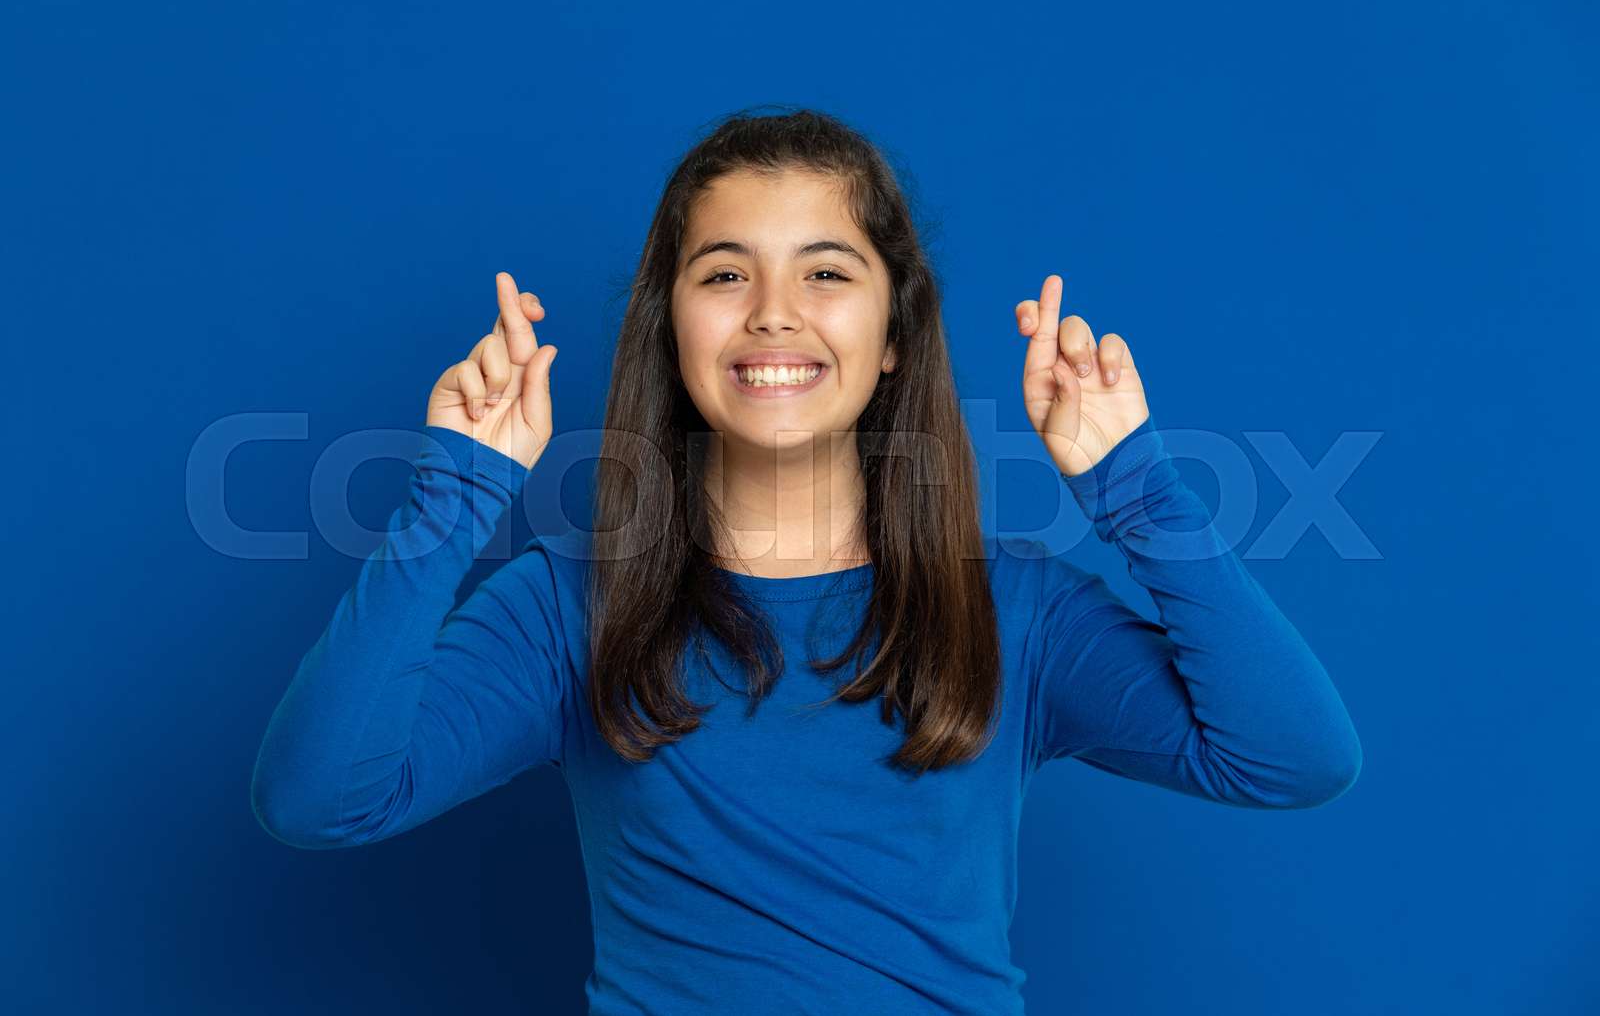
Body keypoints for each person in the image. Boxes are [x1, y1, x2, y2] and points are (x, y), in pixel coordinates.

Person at [251, 108, 1362, 1014]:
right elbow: (317, 797)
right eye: (725, 275)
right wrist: (456, 493)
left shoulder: (1012, 606)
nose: (774, 316)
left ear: (891, 339)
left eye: (826, 273)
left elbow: (1289, 755)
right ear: (671, 326)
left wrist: (1135, 486)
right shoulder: (565, 600)